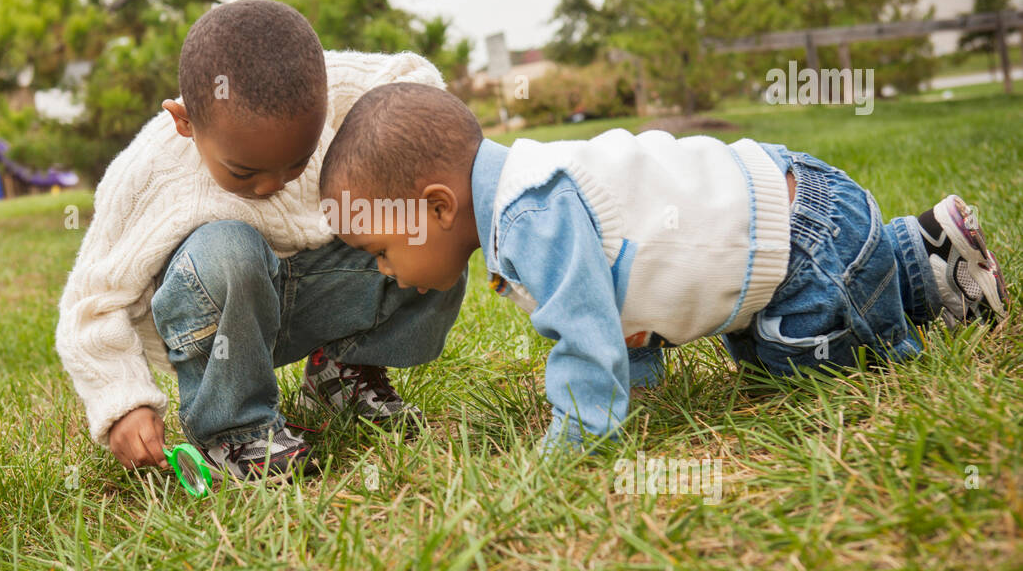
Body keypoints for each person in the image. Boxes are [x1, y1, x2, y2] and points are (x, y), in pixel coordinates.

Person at [318, 82, 1010, 453]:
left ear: (438, 208)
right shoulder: (525, 191)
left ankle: (908, 298)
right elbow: (625, 303)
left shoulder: (529, 218)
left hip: (805, 248)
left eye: (382, 250)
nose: (385, 271)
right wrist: (640, 386)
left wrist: (575, 438)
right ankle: (923, 249)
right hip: (800, 199)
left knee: (795, 363)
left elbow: (587, 339)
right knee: (760, 338)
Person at [56, 2, 467, 479]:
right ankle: (234, 429)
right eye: (245, 171)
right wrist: (122, 401)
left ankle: (344, 371)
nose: (273, 184)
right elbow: (91, 303)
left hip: (313, 287)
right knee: (229, 251)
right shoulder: (150, 175)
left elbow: (414, 82)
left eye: (296, 162)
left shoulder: (329, 88)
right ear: (185, 122)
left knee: (432, 235)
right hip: (221, 314)